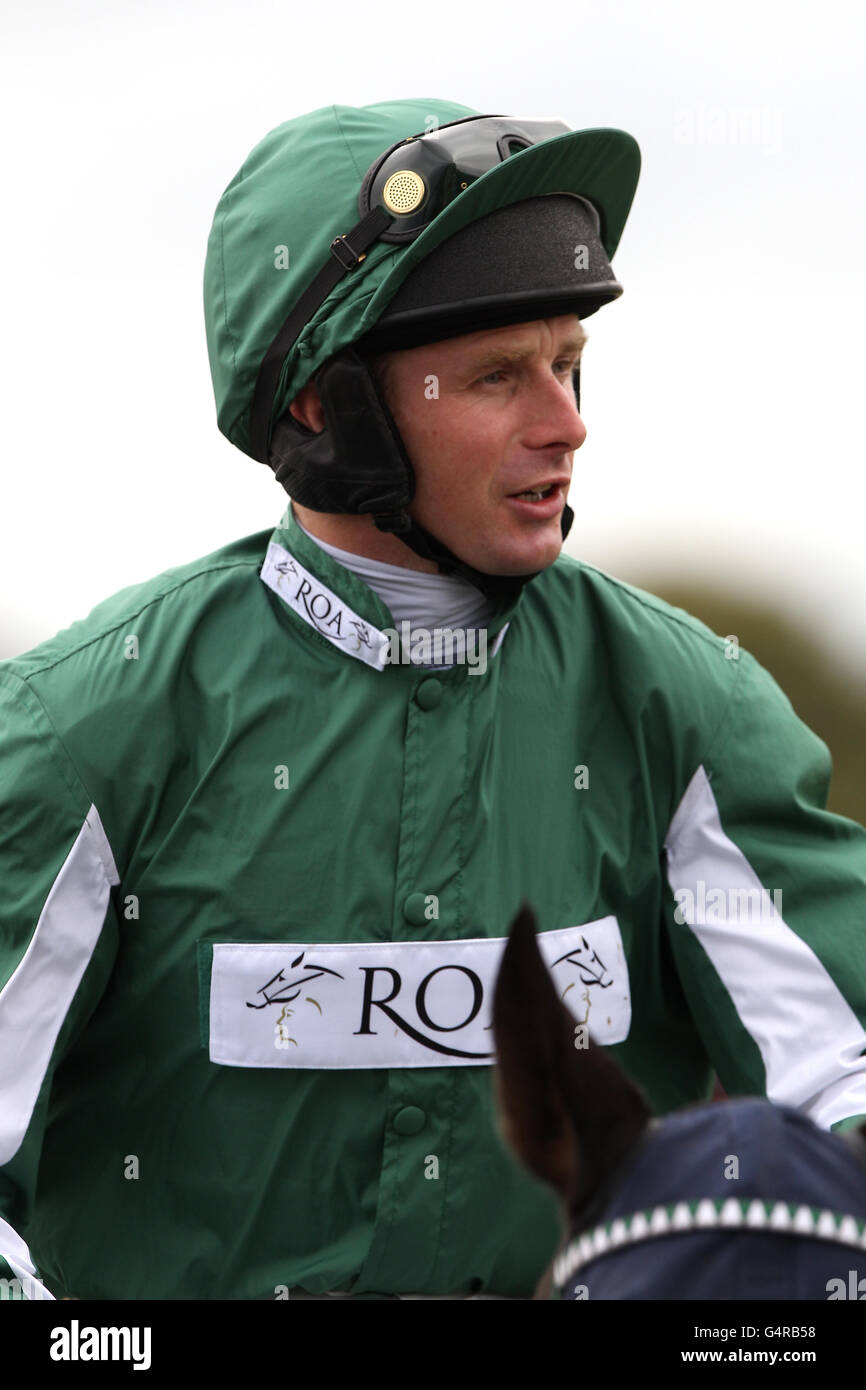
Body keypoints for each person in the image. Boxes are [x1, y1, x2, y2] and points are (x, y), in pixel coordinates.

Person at [1, 98, 865, 1302]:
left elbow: (847, 1087)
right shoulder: (83, 732)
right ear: (321, 404)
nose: (566, 424)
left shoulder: (687, 706)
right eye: (497, 376)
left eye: (568, 361)